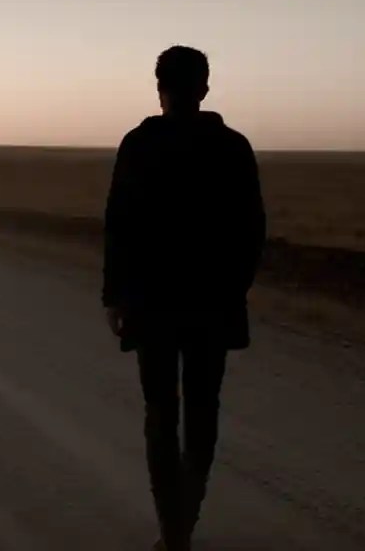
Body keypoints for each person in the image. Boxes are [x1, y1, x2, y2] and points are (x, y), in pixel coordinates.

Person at [102, 46, 266, 551]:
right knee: (201, 412)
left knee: (160, 413)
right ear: (205, 87)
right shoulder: (232, 147)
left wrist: (116, 295)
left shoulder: (138, 144)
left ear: (159, 88)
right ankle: (183, 524)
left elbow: (119, 225)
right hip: (210, 306)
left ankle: (172, 529)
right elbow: (251, 231)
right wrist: (232, 289)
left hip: (152, 305)